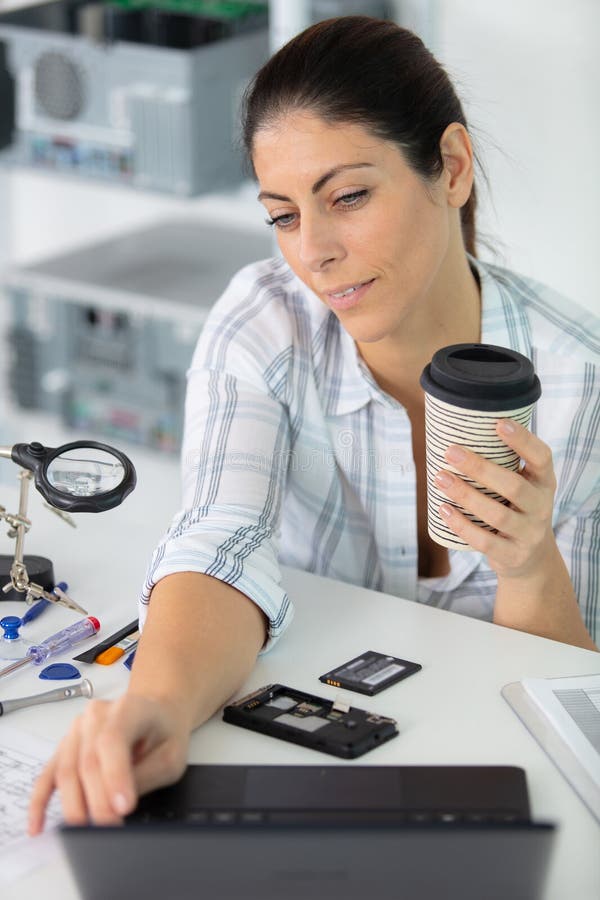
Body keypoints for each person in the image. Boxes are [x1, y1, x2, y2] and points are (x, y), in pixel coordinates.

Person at [29, 15, 599, 833]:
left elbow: (573, 701)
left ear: (451, 167)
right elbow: (220, 537)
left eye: (349, 197)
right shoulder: (266, 323)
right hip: (302, 768)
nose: (315, 252)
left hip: (498, 789)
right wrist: (156, 702)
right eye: (284, 215)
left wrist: (532, 565)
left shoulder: (583, 379)